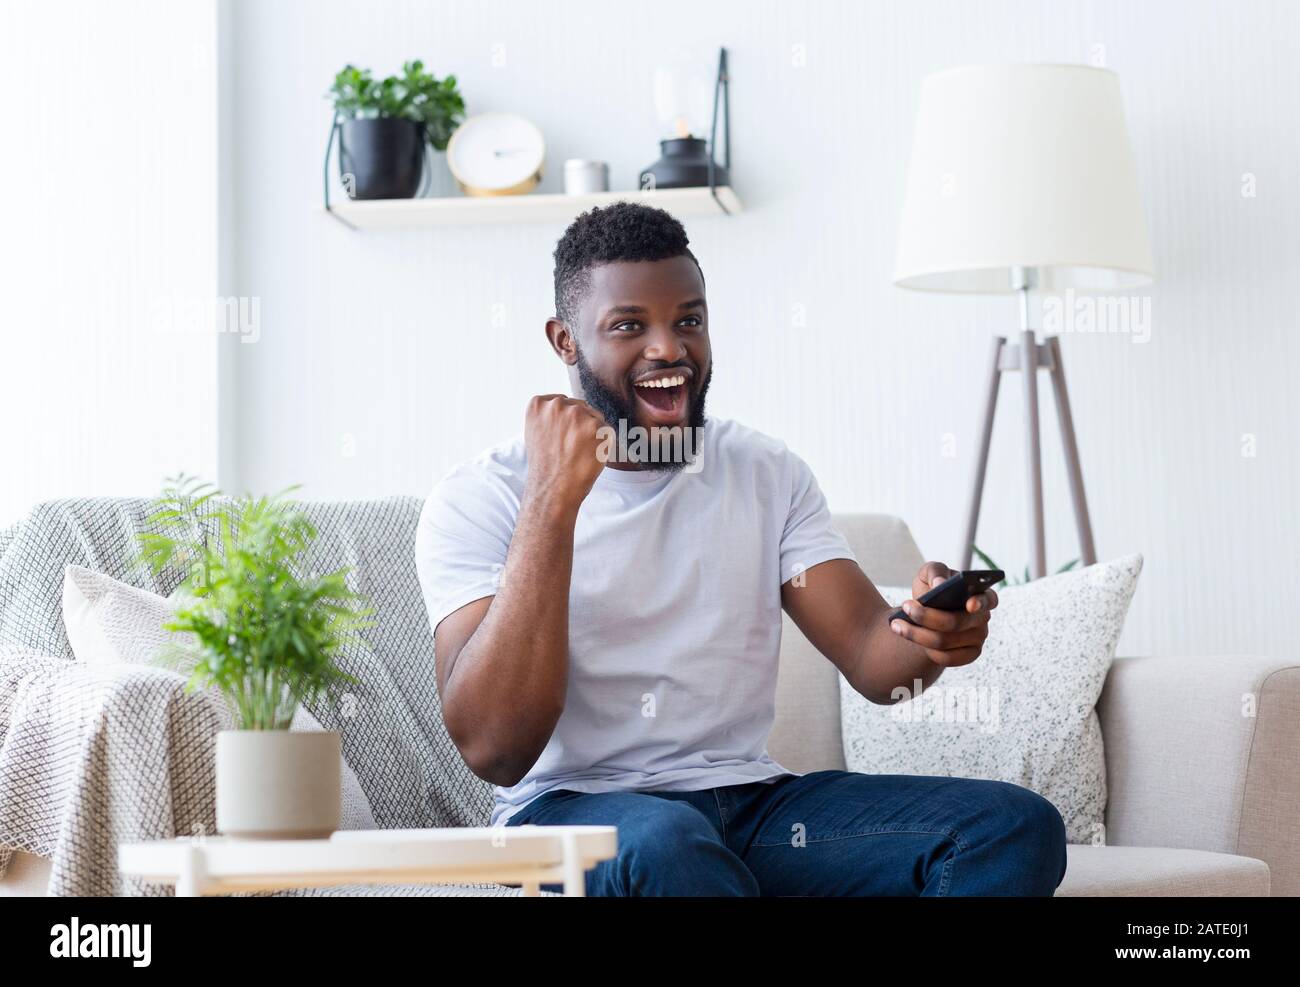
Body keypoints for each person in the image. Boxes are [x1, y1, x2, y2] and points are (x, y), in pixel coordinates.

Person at [415, 202, 1067, 896]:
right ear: (565, 340)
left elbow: (875, 660)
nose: (669, 347)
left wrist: (930, 633)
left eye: (688, 320)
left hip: (752, 808)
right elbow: (496, 748)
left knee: (1010, 825)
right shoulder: (482, 497)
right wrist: (551, 502)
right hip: (569, 817)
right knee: (667, 844)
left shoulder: (764, 471)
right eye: (629, 325)